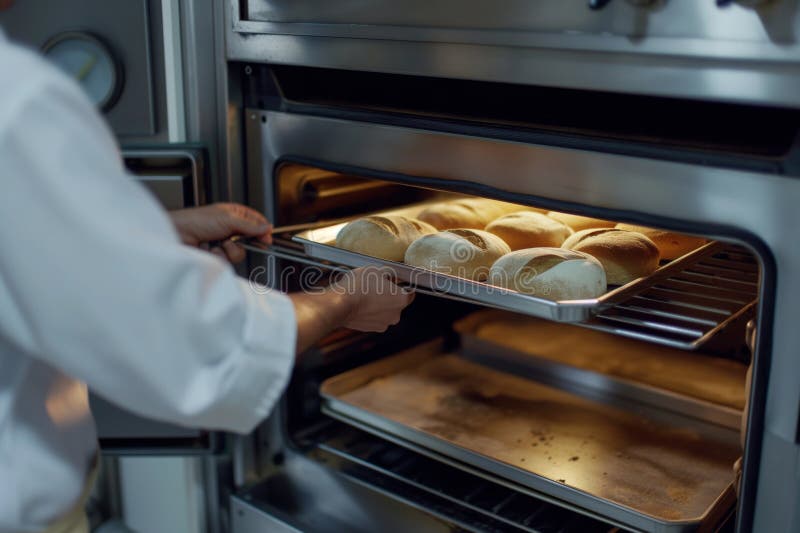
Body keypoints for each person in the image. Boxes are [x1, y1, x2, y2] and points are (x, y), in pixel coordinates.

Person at [0, 19, 414, 533]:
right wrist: (346, 302)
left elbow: (26, 247)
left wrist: (149, 238)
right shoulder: (17, 104)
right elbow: (199, 344)